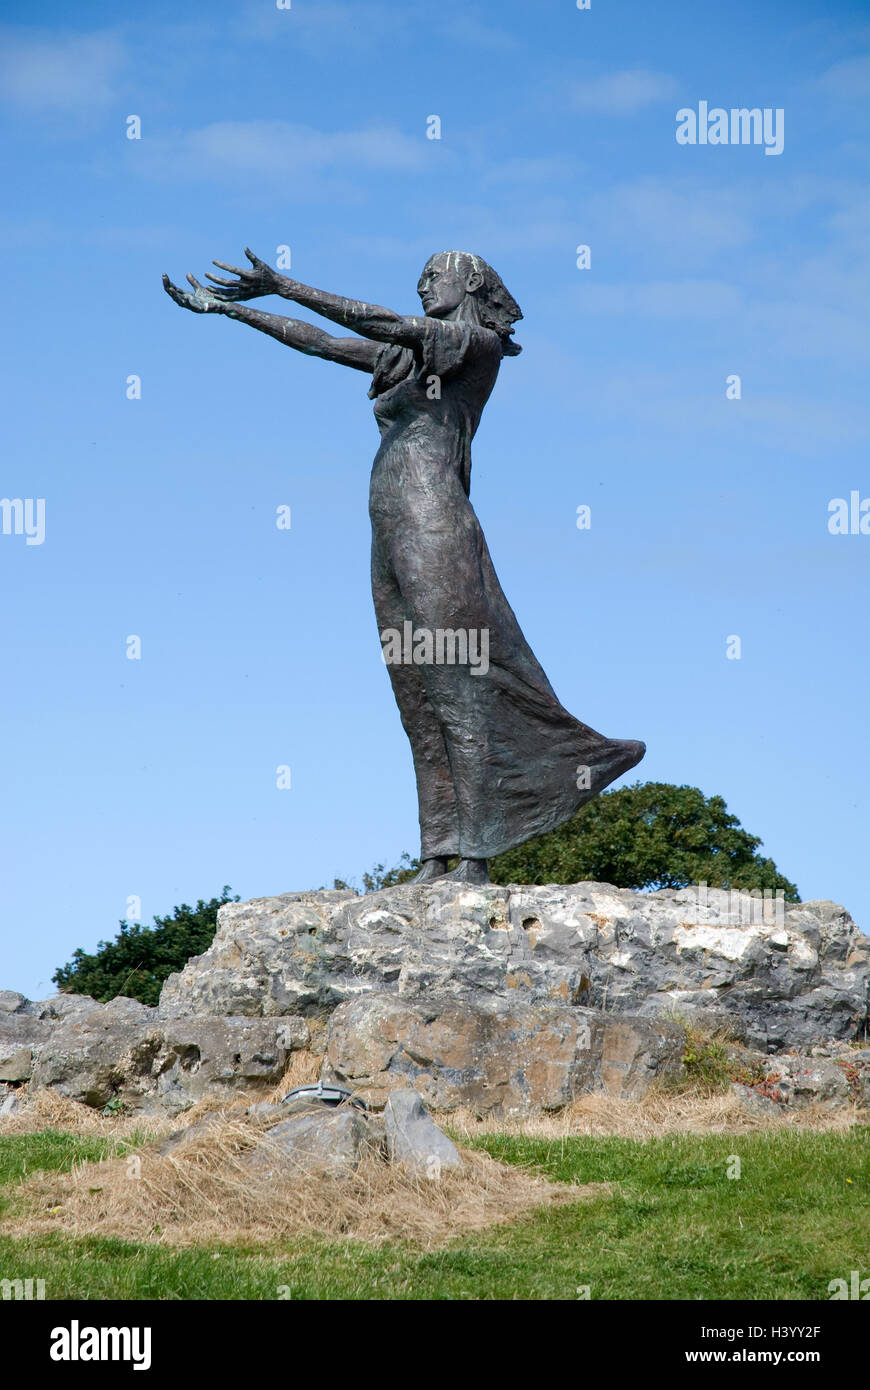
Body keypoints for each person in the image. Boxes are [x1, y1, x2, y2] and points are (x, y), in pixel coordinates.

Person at [163, 249, 644, 884]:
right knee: (415, 697)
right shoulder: (414, 360)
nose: (421, 284)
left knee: (456, 685)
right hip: (390, 525)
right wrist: (231, 311)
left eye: (432, 274)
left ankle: (476, 854)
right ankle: (437, 850)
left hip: (434, 521)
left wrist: (281, 284)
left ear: (470, 282)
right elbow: (326, 343)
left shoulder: (475, 344)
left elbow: (377, 322)